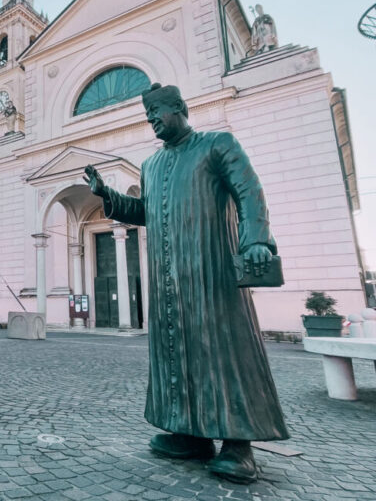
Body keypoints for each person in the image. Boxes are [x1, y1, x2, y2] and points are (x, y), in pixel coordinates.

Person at [84, 83, 288, 484]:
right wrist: (107, 196)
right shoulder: (152, 165)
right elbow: (144, 211)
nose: (152, 120)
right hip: (166, 278)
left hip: (212, 271)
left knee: (223, 347)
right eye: (148, 116)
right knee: (173, 352)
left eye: (157, 112)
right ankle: (189, 433)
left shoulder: (217, 145)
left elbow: (250, 192)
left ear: (180, 107)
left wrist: (257, 241)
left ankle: (237, 443)